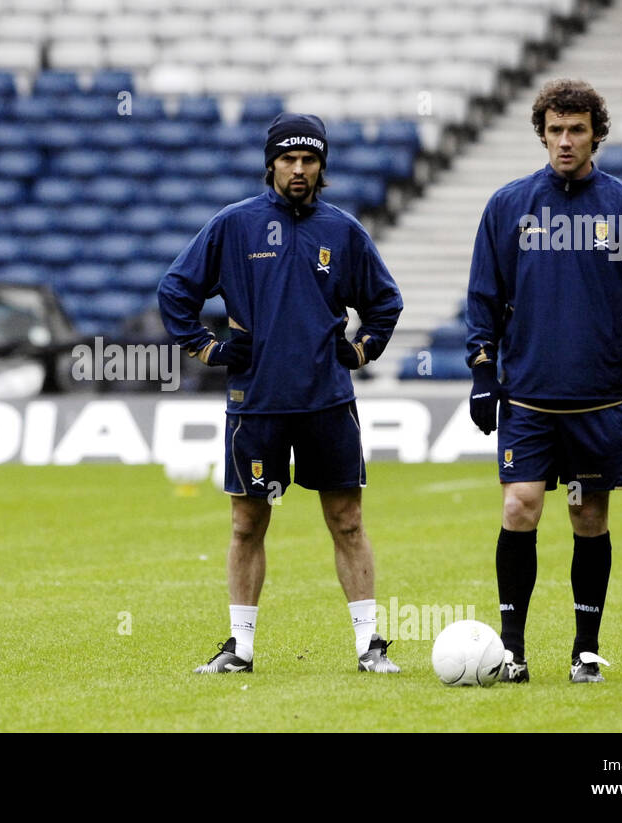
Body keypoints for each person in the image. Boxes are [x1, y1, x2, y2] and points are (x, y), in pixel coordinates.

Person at [158, 112, 404, 675]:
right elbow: (176, 292)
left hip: (328, 402)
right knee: (247, 524)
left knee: (347, 522)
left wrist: (363, 349)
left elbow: (385, 303)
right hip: (257, 404)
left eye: (309, 160)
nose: (298, 170)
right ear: (271, 163)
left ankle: (369, 646)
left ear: (322, 167)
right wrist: (209, 350)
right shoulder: (234, 225)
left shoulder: (342, 230)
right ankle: (240, 649)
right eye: (288, 159)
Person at [465, 78, 622, 684]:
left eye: (576, 129)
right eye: (555, 129)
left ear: (596, 135)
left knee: (588, 517)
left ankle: (586, 648)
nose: (565, 140)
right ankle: (511, 650)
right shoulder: (508, 206)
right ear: (541, 133)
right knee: (520, 506)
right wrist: (483, 374)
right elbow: (483, 297)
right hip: (528, 399)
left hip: (599, 402)